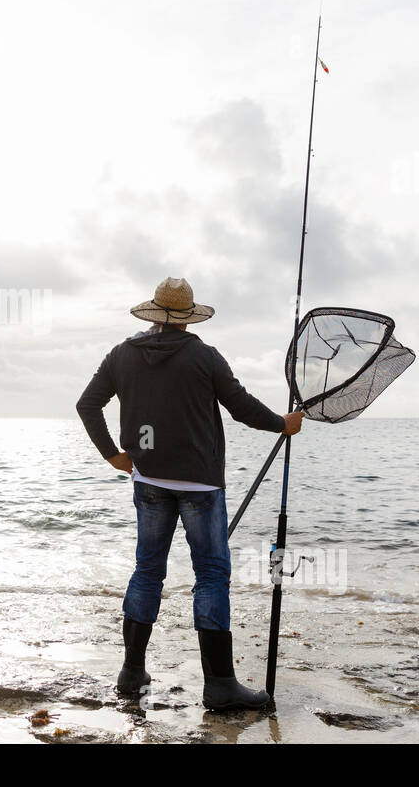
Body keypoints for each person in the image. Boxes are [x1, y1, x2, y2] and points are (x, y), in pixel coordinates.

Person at [76, 277, 303, 710]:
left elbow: (87, 405)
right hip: (200, 484)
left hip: (148, 481)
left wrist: (113, 456)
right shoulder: (204, 356)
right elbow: (241, 407)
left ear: (154, 313)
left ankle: (131, 672)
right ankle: (219, 685)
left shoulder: (121, 354)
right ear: (186, 316)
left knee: (147, 570)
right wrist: (282, 423)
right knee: (212, 576)